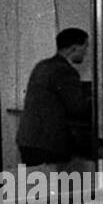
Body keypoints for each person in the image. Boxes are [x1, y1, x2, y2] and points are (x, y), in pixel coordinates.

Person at [17, 27, 94, 167]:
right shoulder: (65, 71)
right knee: (58, 185)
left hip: (29, 138)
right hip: (49, 142)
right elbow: (77, 107)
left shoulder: (43, 65)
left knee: (38, 186)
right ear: (74, 48)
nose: (86, 53)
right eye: (85, 47)